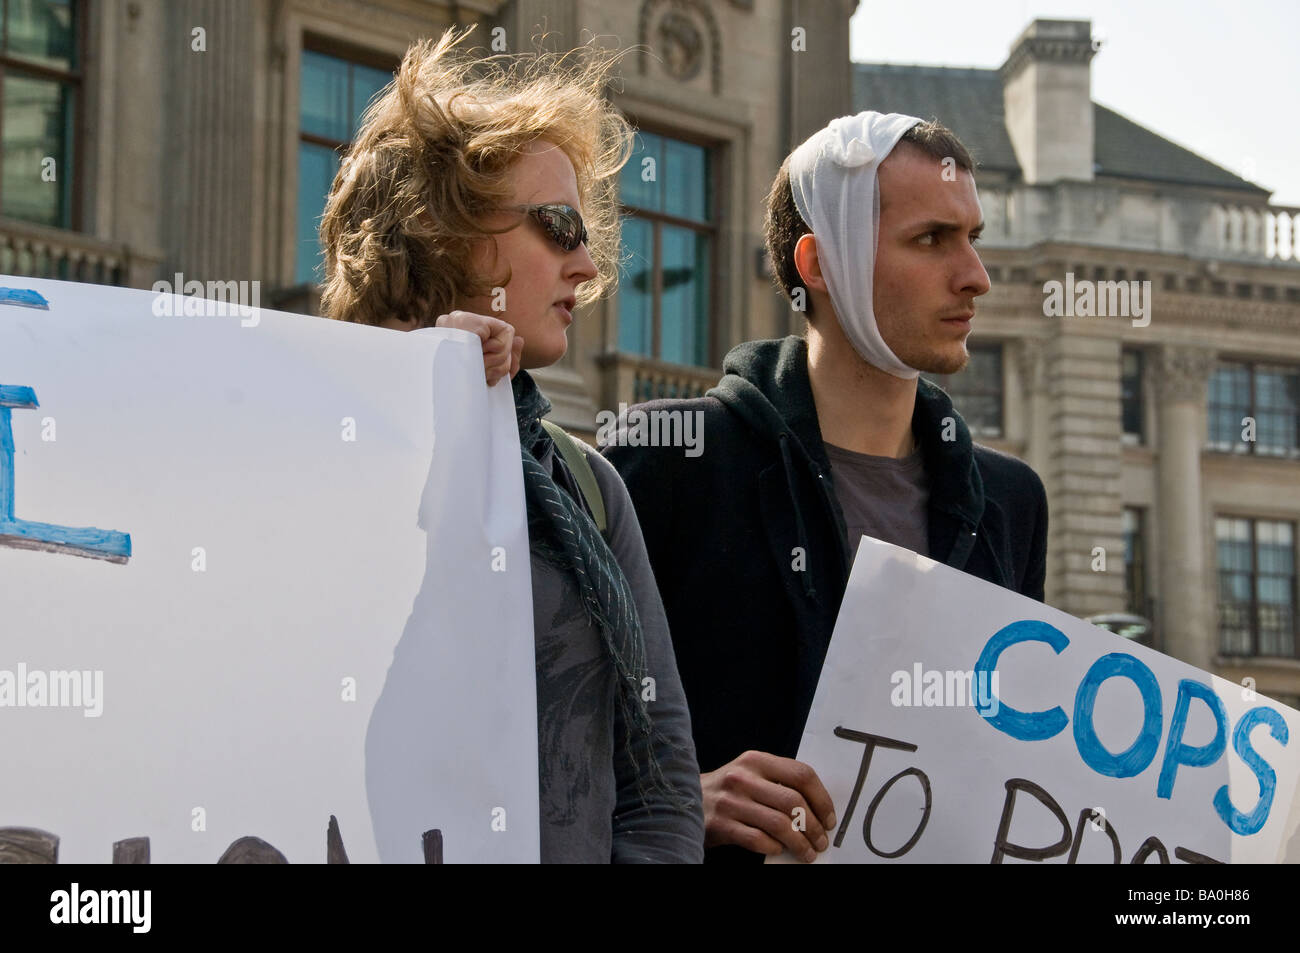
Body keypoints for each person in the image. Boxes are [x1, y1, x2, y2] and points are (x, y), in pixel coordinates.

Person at [604, 111, 1049, 863]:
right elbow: (555, 737)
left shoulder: (1012, 502)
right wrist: (687, 798)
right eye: (932, 239)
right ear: (820, 265)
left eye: (973, 237)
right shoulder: (664, 459)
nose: (975, 274)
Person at [318, 27, 704, 863]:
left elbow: (663, 779)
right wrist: (423, 398)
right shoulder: (307, 448)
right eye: (558, 226)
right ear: (440, 229)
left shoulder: (587, 485)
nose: (589, 264)